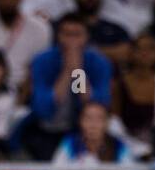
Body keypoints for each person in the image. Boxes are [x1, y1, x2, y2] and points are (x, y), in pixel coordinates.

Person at [23, 13, 112, 161]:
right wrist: (66, 72)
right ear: (58, 36)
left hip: (82, 131)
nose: (72, 41)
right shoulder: (42, 61)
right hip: (47, 130)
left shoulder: (99, 62)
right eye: (67, 34)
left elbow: (95, 106)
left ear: (86, 37)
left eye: (77, 35)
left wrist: (77, 72)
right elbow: (42, 109)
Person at [48, 101, 139, 170]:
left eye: (99, 119)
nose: (93, 124)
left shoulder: (119, 146)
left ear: (107, 123)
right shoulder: (70, 144)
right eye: (88, 118)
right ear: (80, 121)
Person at [112, 32, 155, 154]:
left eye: (150, 48)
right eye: (140, 48)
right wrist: (134, 148)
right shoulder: (118, 84)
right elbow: (114, 122)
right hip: (127, 147)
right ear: (131, 53)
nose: (145, 53)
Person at [71, 0, 132, 66]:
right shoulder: (63, 26)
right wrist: (109, 52)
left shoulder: (115, 29)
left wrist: (82, 51)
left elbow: (125, 53)